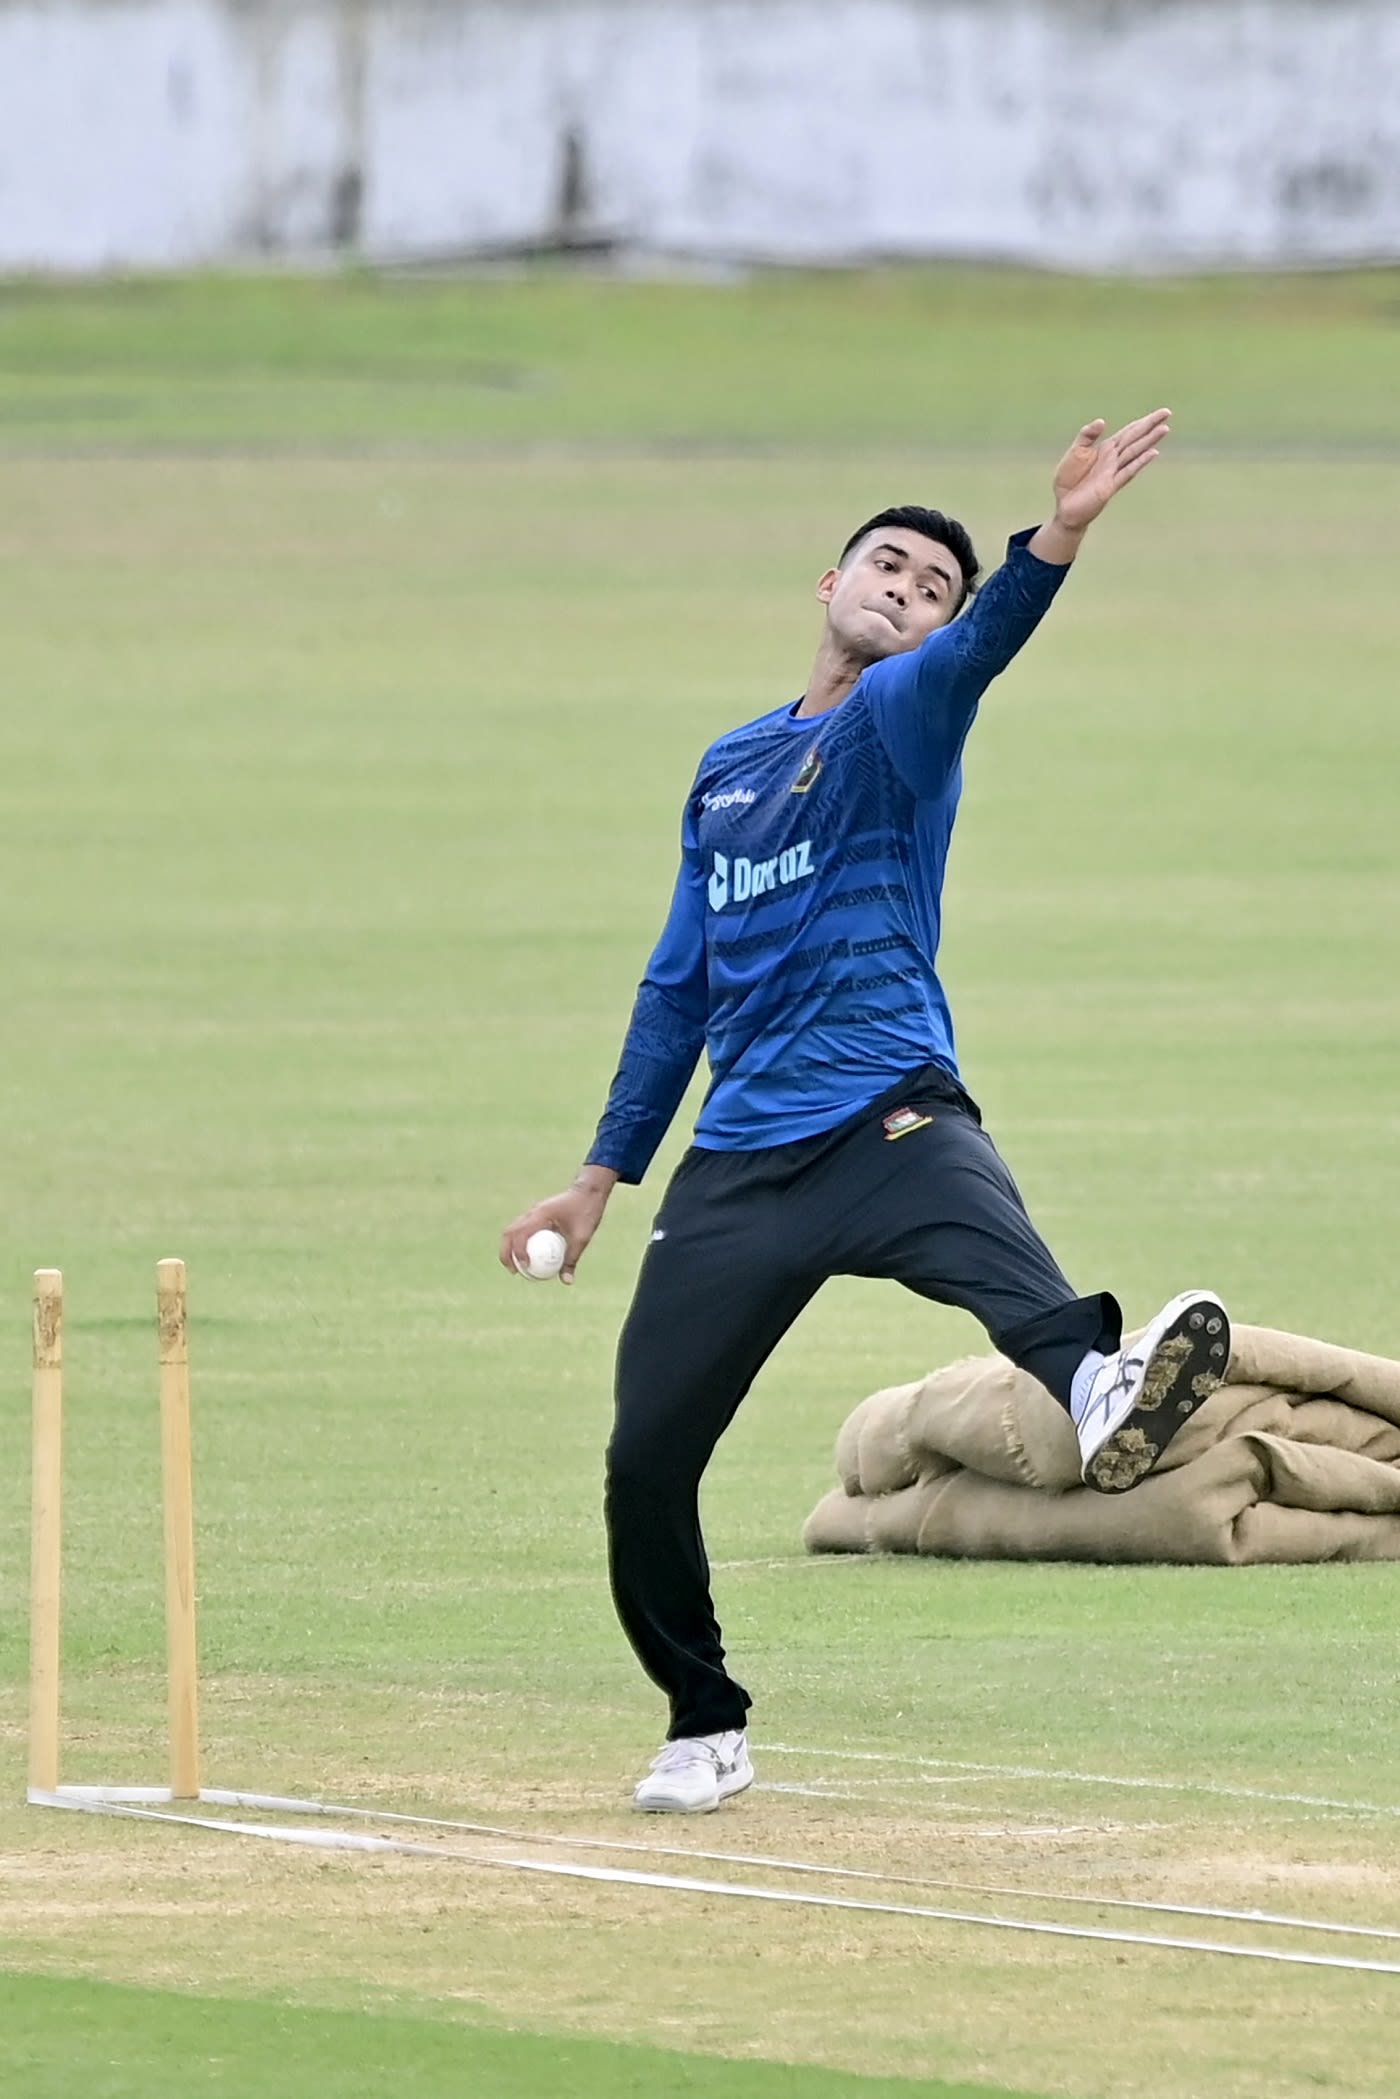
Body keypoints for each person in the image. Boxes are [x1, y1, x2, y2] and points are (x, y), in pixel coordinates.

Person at [500, 412, 1229, 1816]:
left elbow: (983, 646)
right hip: (738, 1166)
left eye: (930, 586)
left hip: (888, 1109)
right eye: (885, 566)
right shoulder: (726, 770)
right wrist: (599, 1176)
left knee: (999, 1261)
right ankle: (704, 1723)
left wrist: (1056, 537)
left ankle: (1100, 1386)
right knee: (643, 1460)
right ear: (825, 588)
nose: (905, 589)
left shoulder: (904, 718)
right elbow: (675, 987)